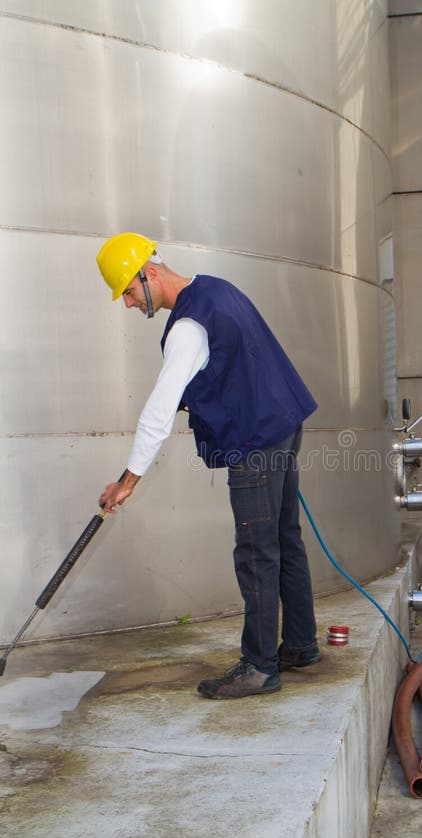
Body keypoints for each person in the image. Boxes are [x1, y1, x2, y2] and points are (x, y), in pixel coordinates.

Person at [96, 232, 320, 699]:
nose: (129, 304)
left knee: (256, 552)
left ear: (150, 273)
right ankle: (300, 645)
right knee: (285, 539)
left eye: (130, 292)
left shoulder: (187, 327)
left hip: (255, 441)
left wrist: (127, 481)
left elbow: (159, 410)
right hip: (282, 422)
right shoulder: (216, 289)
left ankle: (259, 667)